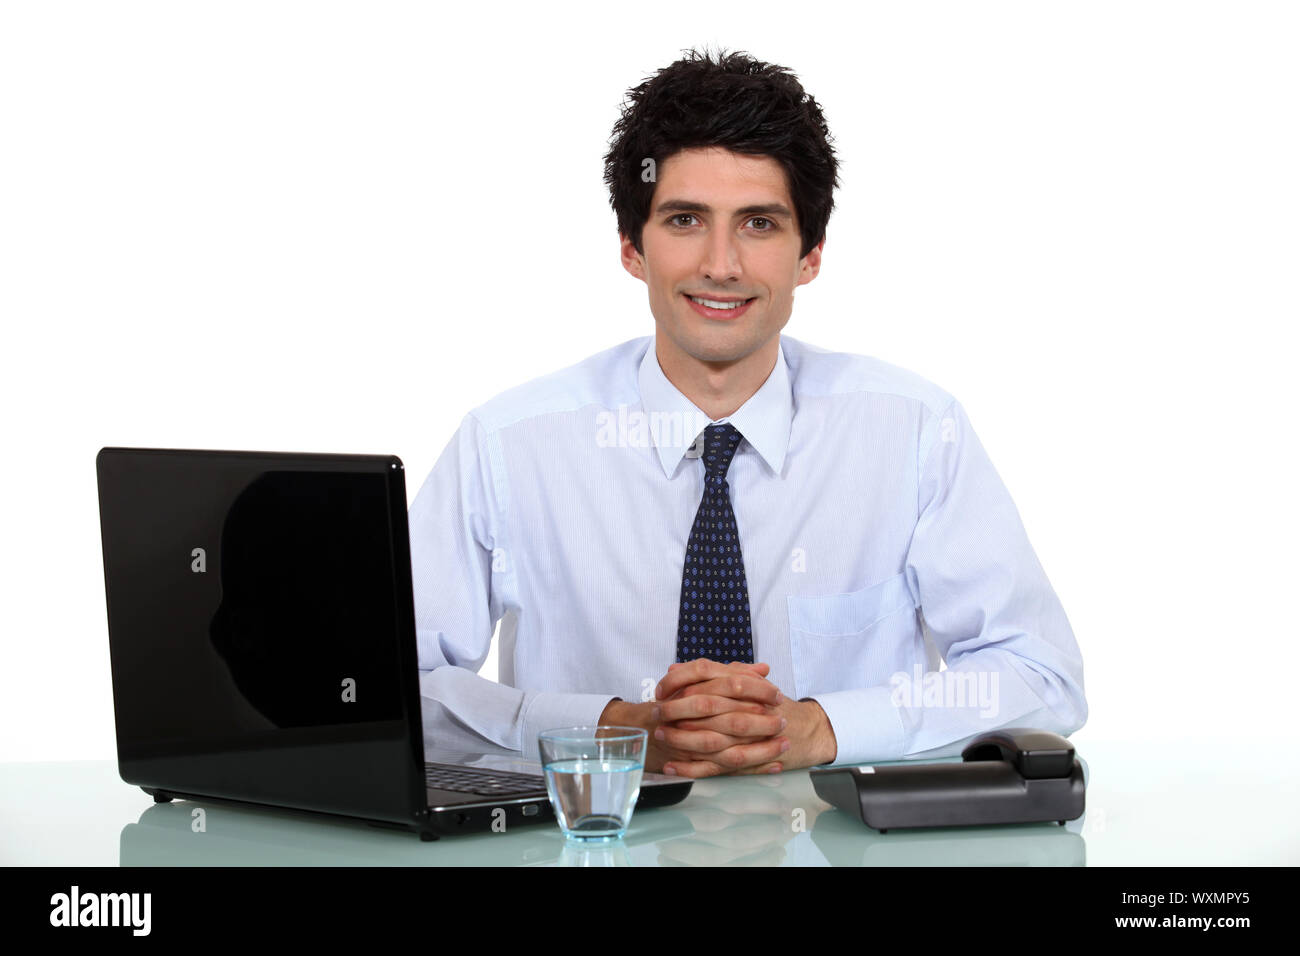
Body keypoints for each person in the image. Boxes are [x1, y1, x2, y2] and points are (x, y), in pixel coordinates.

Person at [409, 47, 1087, 778]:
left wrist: (826, 728)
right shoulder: (510, 445)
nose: (722, 264)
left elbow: (1041, 676)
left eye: (759, 223)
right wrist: (609, 727)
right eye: (685, 220)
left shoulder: (914, 431)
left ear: (811, 255)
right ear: (632, 249)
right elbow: (386, 692)